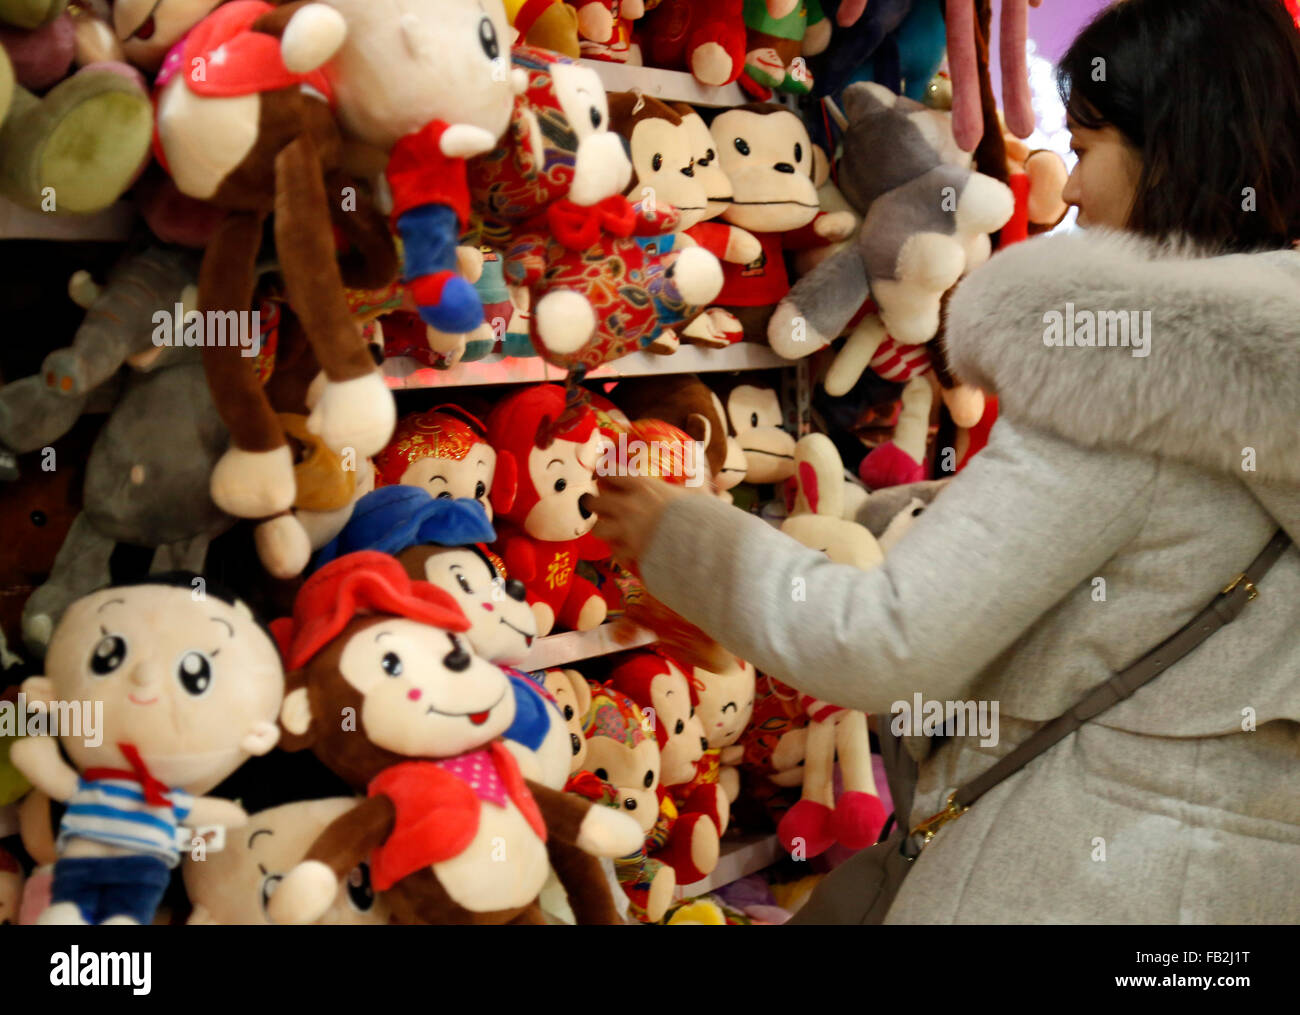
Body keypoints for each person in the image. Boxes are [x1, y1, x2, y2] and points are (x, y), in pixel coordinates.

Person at [590, 0, 1300, 924]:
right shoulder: (1263, 369)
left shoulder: (1132, 377)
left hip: (1069, 879)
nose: (1072, 191)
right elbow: (1149, 555)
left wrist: (681, 533)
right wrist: (908, 517)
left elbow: (880, 641)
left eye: (1085, 149)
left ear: (1169, 149)